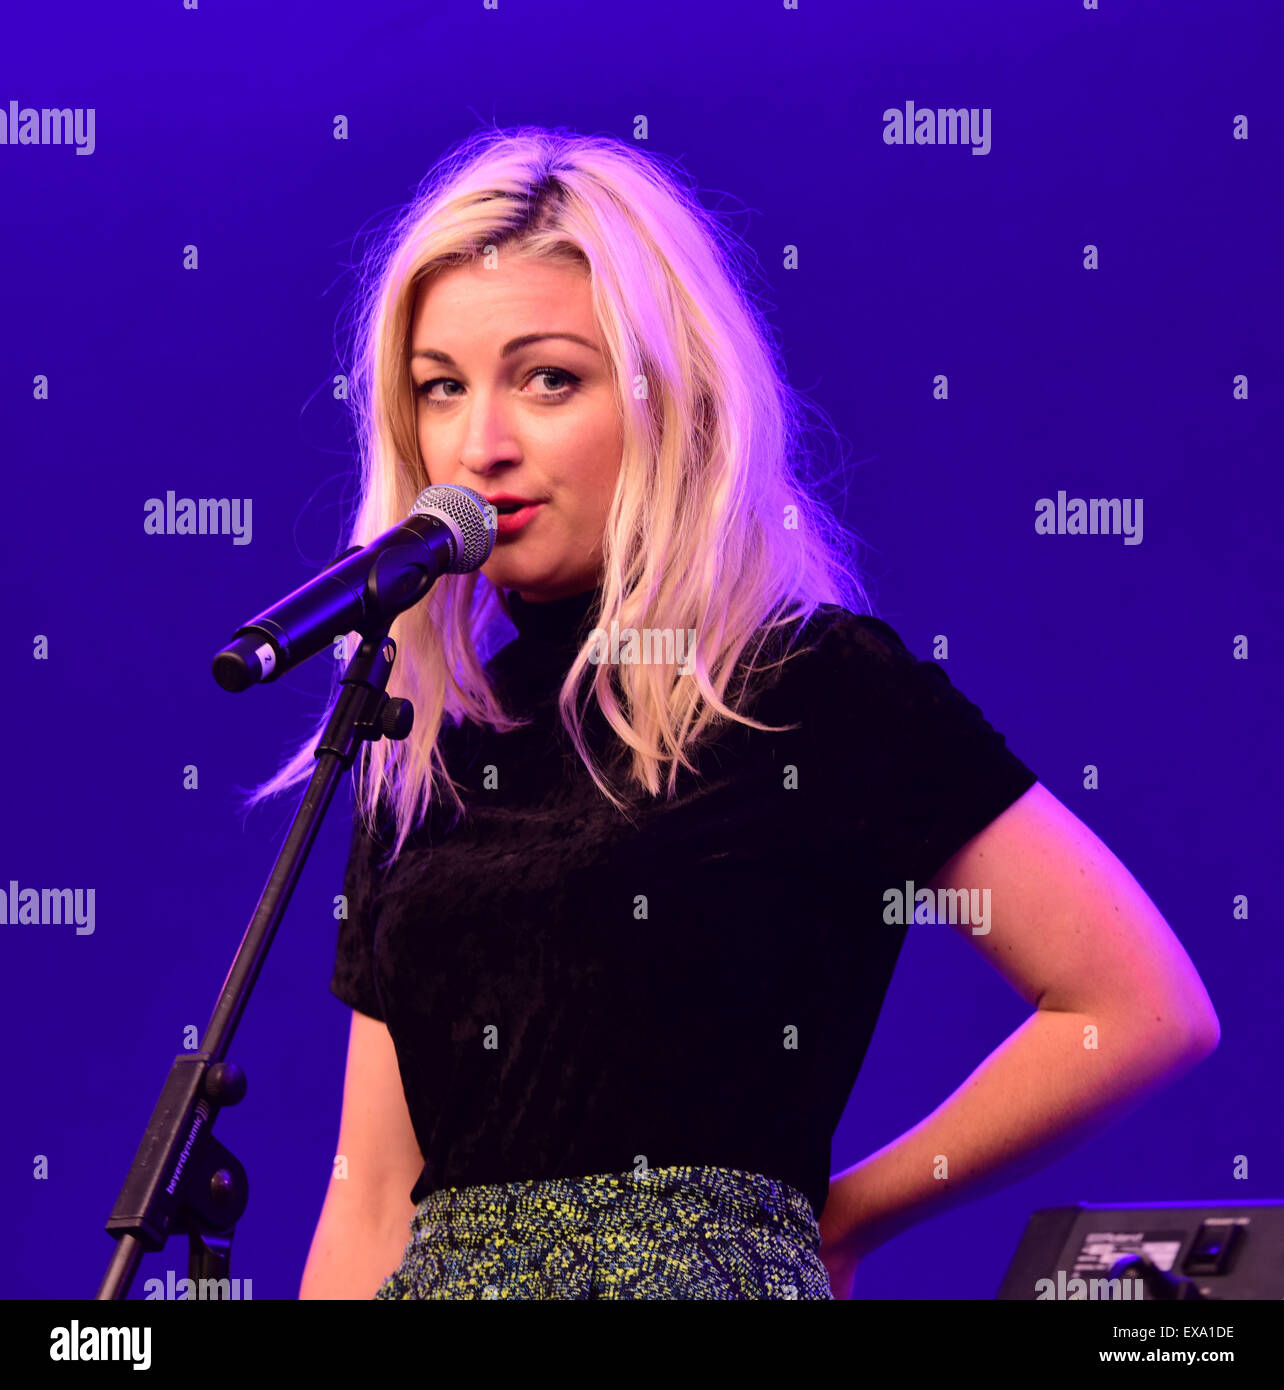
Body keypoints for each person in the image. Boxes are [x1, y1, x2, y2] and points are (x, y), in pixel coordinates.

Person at [269, 125, 1219, 1300]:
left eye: (549, 377)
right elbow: (370, 1194)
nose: (482, 445)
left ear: (674, 397)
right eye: (441, 389)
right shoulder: (427, 752)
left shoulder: (813, 690)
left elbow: (1136, 1006)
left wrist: (828, 1219)